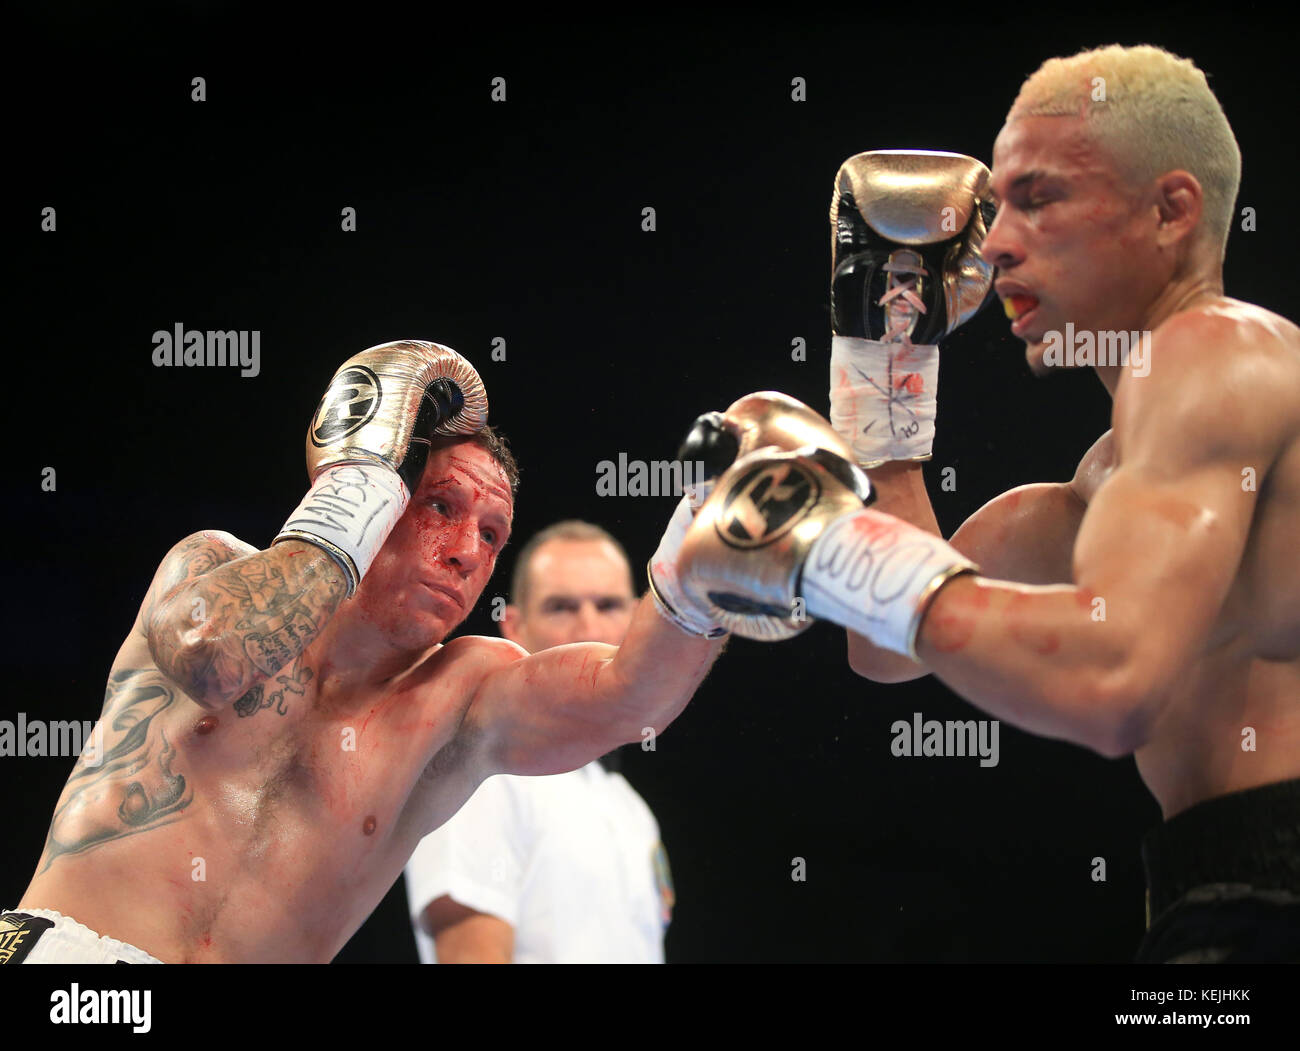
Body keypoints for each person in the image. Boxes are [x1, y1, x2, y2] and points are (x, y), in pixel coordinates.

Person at [676, 45, 1300, 962]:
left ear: (1171, 210)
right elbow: (886, 650)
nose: (997, 239)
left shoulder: (1217, 352)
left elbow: (1112, 679)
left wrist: (830, 547)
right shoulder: (1096, 489)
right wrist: (887, 363)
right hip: (1209, 897)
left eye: (1041, 199)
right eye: (998, 203)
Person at [4, 339, 729, 964]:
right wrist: (357, 481)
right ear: (384, 498)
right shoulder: (209, 564)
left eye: (491, 534)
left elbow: (633, 696)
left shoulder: (462, 692)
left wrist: (709, 556)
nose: (464, 552)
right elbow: (214, 656)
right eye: (442, 506)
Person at [405, 521, 674, 964]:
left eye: (607, 606)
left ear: (635, 621)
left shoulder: (630, 807)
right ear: (514, 626)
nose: (589, 627)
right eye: (561, 607)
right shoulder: (480, 771)